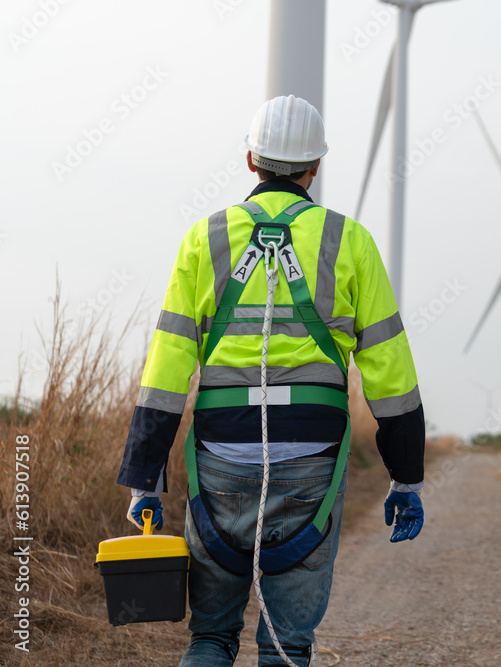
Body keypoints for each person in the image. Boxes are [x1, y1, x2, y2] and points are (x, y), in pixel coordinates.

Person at [115, 95, 425, 667]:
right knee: (288, 648)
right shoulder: (350, 241)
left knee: (209, 639)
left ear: (251, 159)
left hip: (220, 457)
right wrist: (406, 477)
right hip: (311, 458)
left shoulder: (203, 239)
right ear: (316, 166)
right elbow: (390, 372)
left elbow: (166, 369)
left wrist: (145, 480)